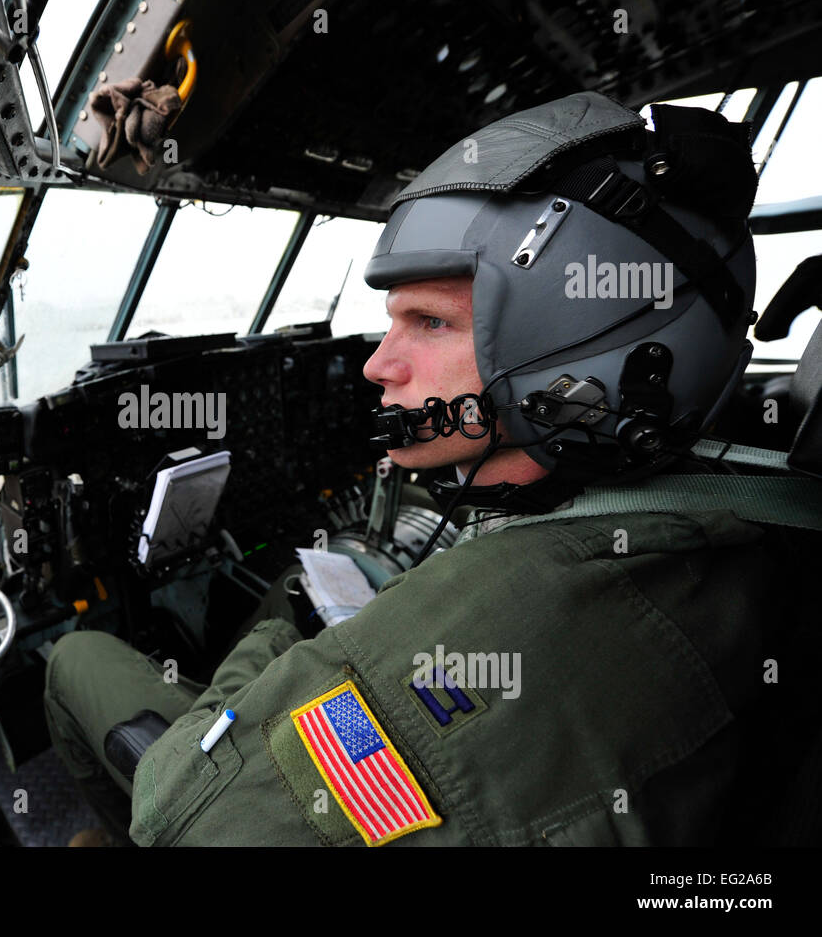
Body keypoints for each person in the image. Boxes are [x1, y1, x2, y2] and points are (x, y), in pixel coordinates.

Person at [44, 91, 822, 846]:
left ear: (591, 355)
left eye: (431, 322)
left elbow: (184, 814)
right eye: (391, 323)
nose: (379, 366)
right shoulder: (742, 516)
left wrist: (280, 645)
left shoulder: (476, 638)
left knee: (78, 655)